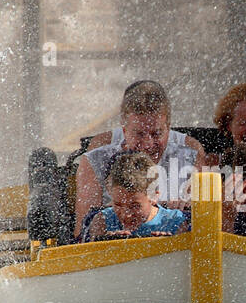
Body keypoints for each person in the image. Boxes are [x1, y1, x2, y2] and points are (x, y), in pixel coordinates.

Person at [75, 80, 199, 232]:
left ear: (168, 129)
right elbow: (83, 232)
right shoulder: (95, 162)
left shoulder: (190, 159)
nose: (147, 144)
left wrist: (189, 208)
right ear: (125, 131)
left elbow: (205, 225)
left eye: (156, 134)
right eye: (139, 134)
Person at [83, 152, 188, 241]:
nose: (126, 215)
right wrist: (106, 245)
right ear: (110, 194)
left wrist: (167, 245)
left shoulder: (175, 222)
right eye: (118, 204)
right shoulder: (102, 220)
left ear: (154, 197)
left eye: (135, 206)